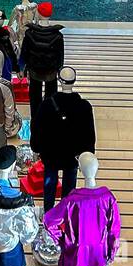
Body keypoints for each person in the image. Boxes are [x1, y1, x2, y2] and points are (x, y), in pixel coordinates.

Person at [43, 152, 120, 266]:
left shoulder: (72, 199)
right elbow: (114, 228)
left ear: (80, 170)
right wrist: (112, 251)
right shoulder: (107, 197)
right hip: (99, 248)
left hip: (76, 248)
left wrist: (61, 239)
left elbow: (49, 220)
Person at [31, 66, 95, 212]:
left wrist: (36, 148)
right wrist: (87, 156)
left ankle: (48, 212)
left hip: (50, 154)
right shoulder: (84, 107)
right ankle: (66, 214)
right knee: (69, 185)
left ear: (59, 81)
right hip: (72, 156)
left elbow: (37, 128)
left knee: (49, 183)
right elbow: (90, 135)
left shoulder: (47, 105)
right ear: (74, 81)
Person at [19, 0, 65, 121]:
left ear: (38, 13)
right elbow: (60, 56)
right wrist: (58, 69)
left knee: (35, 97)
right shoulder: (57, 35)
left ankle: (36, 119)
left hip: (34, 70)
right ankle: (50, 118)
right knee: (51, 96)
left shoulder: (30, 33)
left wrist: (21, 69)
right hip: (51, 71)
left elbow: (24, 53)